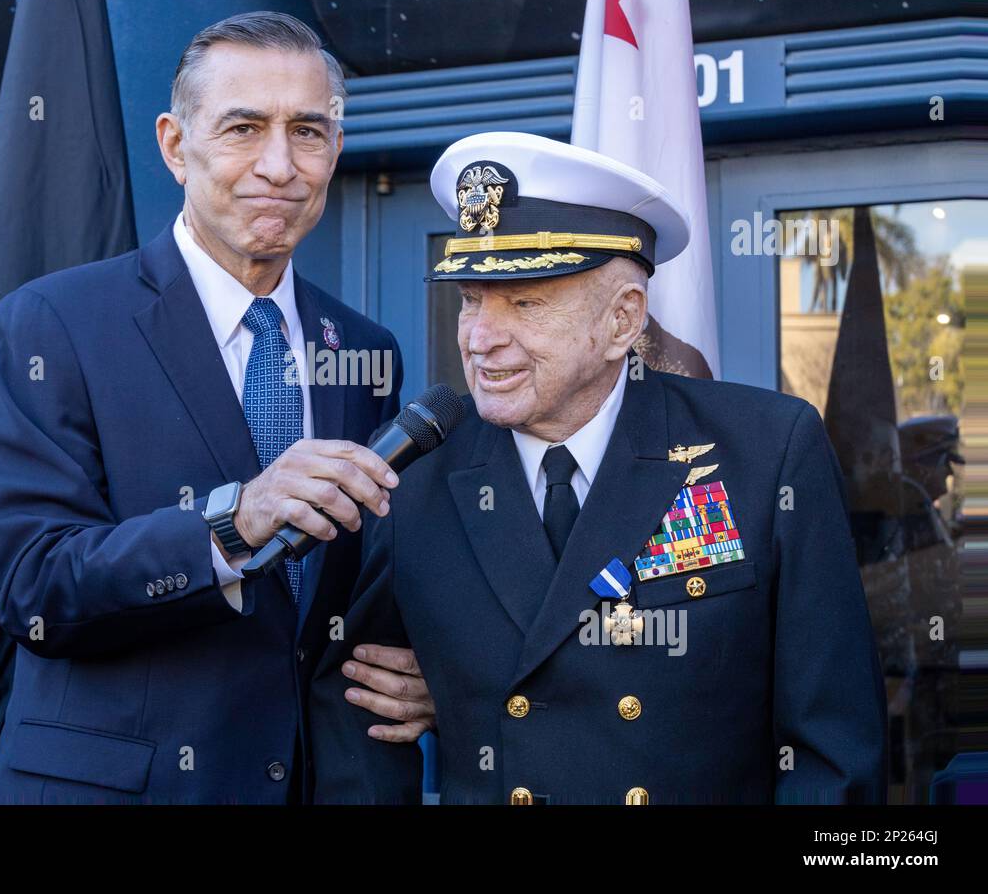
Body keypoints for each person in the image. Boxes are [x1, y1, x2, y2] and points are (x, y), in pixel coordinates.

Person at [312, 131, 887, 804]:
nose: (479, 337)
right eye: (470, 298)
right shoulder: (416, 473)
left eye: (524, 302)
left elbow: (833, 747)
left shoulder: (765, 450)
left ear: (623, 321)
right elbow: (358, 709)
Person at [0, 12, 433, 803]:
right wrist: (233, 521)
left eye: (309, 132)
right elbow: (35, 589)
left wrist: (432, 676)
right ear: (176, 146)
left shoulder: (365, 349)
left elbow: (358, 598)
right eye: (244, 129)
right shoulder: (53, 324)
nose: (280, 165)